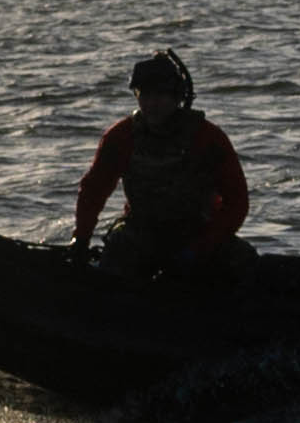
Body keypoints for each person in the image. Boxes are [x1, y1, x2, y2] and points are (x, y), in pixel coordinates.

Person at [72, 50, 249, 280]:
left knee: (243, 261)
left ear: (176, 97)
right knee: (117, 251)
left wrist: (200, 247)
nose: (151, 104)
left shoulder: (207, 138)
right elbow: (93, 191)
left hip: (197, 233)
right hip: (140, 231)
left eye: (160, 95)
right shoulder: (121, 136)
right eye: (144, 95)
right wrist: (81, 238)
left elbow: (237, 202)